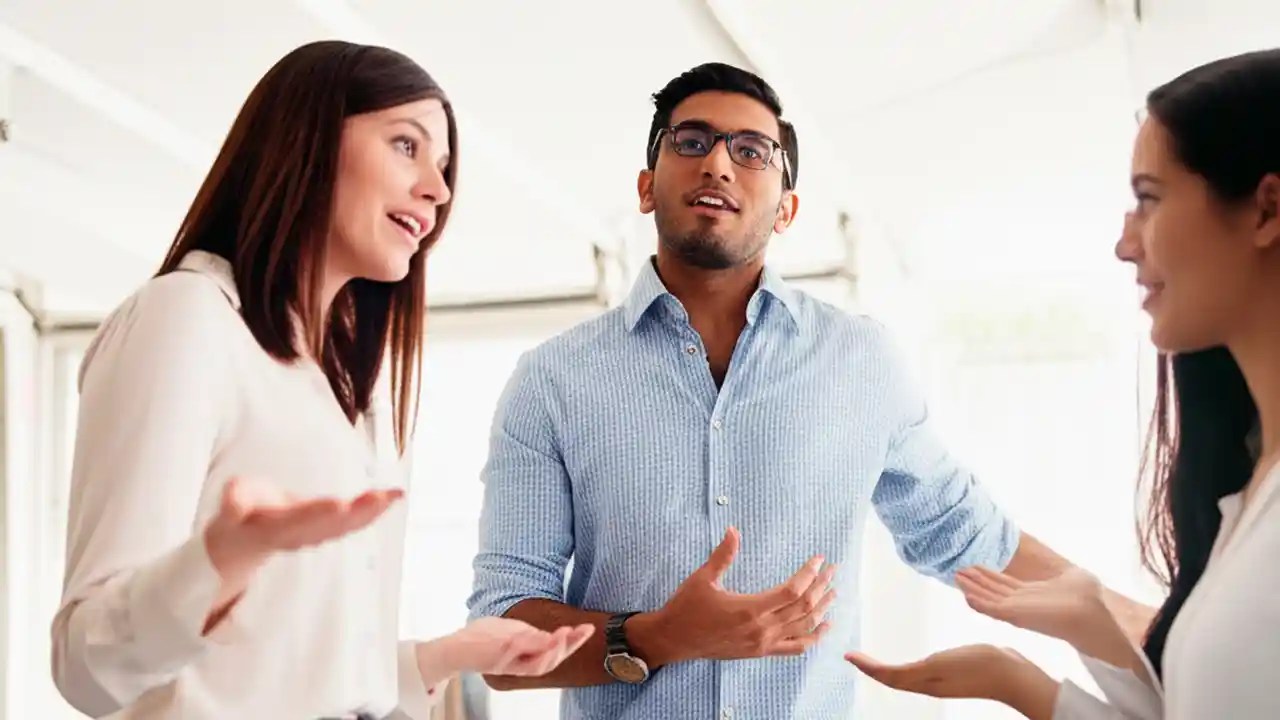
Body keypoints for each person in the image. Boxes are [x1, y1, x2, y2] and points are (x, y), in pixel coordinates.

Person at [465, 62, 1152, 720]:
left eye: (752, 151)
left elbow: (963, 529)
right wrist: (659, 635)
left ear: (787, 210)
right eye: (693, 141)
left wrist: (1150, 632)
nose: (718, 164)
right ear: (646, 187)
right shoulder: (554, 381)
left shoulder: (861, 361)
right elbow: (500, 638)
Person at [50, 40, 591, 720]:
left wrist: (444, 656)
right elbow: (88, 664)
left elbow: (305, 683)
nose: (438, 188)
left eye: (444, 165)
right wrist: (221, 559)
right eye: (406, 145)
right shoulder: (185, 317)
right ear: (306, 141)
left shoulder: (353, 385)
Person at [846, 48, 1280, 719]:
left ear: (1265, 211)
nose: (1124, 243)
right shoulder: (1247, 492)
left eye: (1148, 198)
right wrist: (1022, 676)